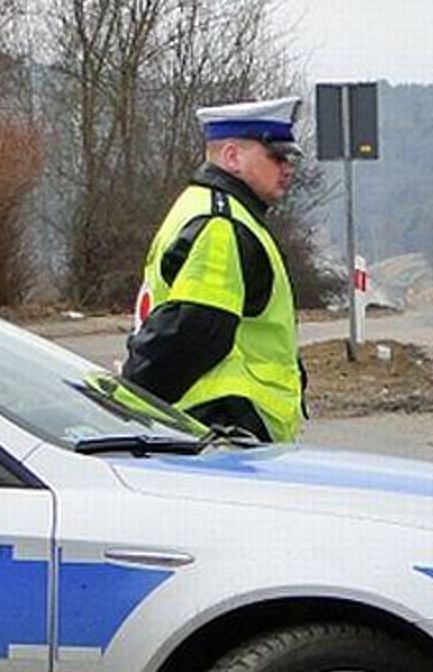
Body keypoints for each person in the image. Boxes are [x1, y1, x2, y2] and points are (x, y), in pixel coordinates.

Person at [123, 96, 307, 442]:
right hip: (223, 426)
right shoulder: (221, 224)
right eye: (276, 156)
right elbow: (194, 332)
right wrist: (130, 401)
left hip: (213, 423)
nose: (287, 168)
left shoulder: (207, 206)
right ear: (232, 156)